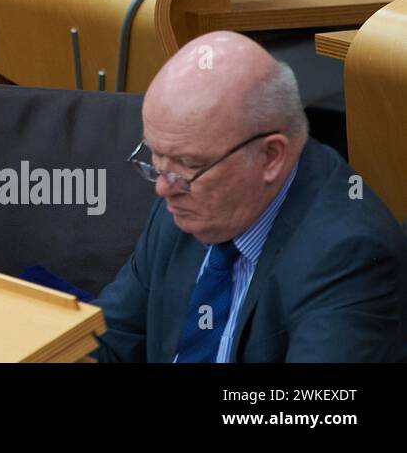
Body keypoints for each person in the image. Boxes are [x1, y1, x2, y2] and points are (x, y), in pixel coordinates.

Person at [93, 32, 407, 362]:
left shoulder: (347, 255)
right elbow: (110, 340)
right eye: (156, 157)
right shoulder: (185, 196)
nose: (163, 186)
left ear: (270, 156)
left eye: (188, 163)